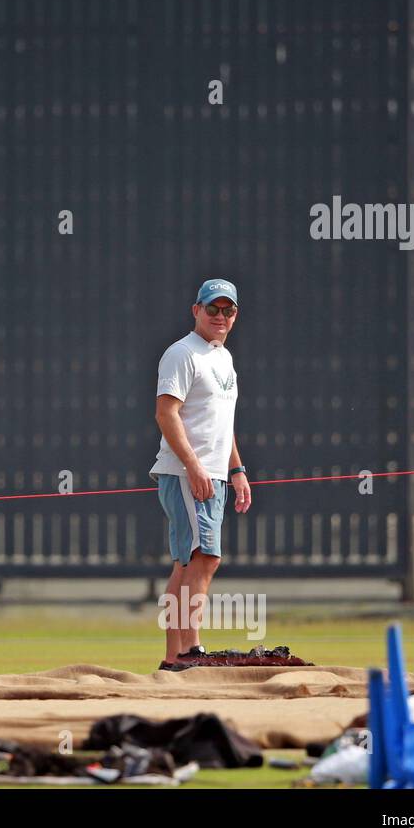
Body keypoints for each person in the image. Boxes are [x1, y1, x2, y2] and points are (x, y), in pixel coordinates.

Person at [149, 279, 252, 670]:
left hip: (215, 474)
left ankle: (175, 658)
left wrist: (237, 469)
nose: (221, 317)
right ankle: (192, 650)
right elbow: (165, 413)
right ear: (196, 310)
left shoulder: (223, 358)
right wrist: (194, 467)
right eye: (213, 309)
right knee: (205, 557)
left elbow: (221, 424)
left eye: (229, 310)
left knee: (188, 564)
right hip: (189, 473)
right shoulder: (181, 353)